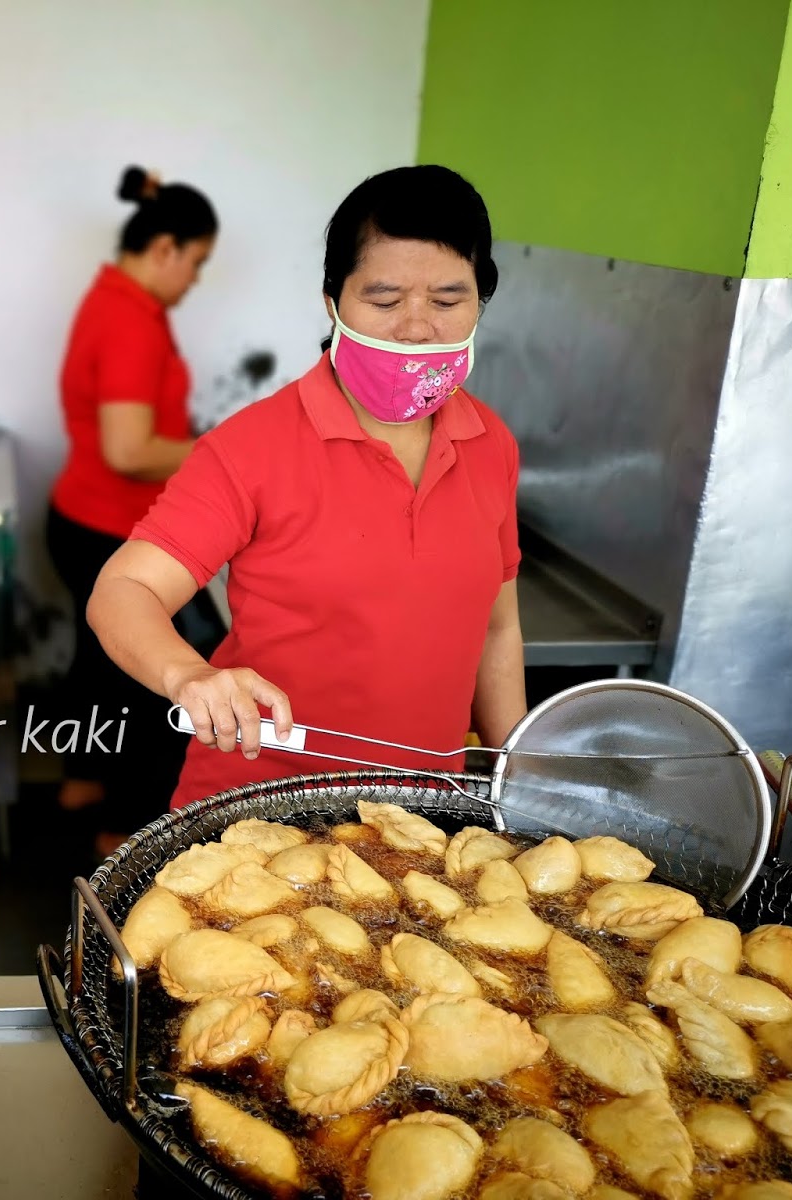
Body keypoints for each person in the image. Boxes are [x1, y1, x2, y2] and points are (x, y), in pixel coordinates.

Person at [88, 165, 526, 810]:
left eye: (447, 301)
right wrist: (189, 674)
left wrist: (516, 784)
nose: (415, 327)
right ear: (333, 301)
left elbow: (497, 629)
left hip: (424, 819)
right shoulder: (252, 446)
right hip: (257, 814)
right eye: (384, 301)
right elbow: (125, 589)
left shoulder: (491, 444)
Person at [46, 165, 224, 857]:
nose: (197, 279)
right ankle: (124, 832)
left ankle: (81, 785)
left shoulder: (113, 300)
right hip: (109, 529)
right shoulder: (129, 321)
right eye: (197, 262)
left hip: (81, 517)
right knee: (147, 685)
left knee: (95, 667)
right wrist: (221, 450)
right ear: (165, 248)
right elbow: (128, 449)